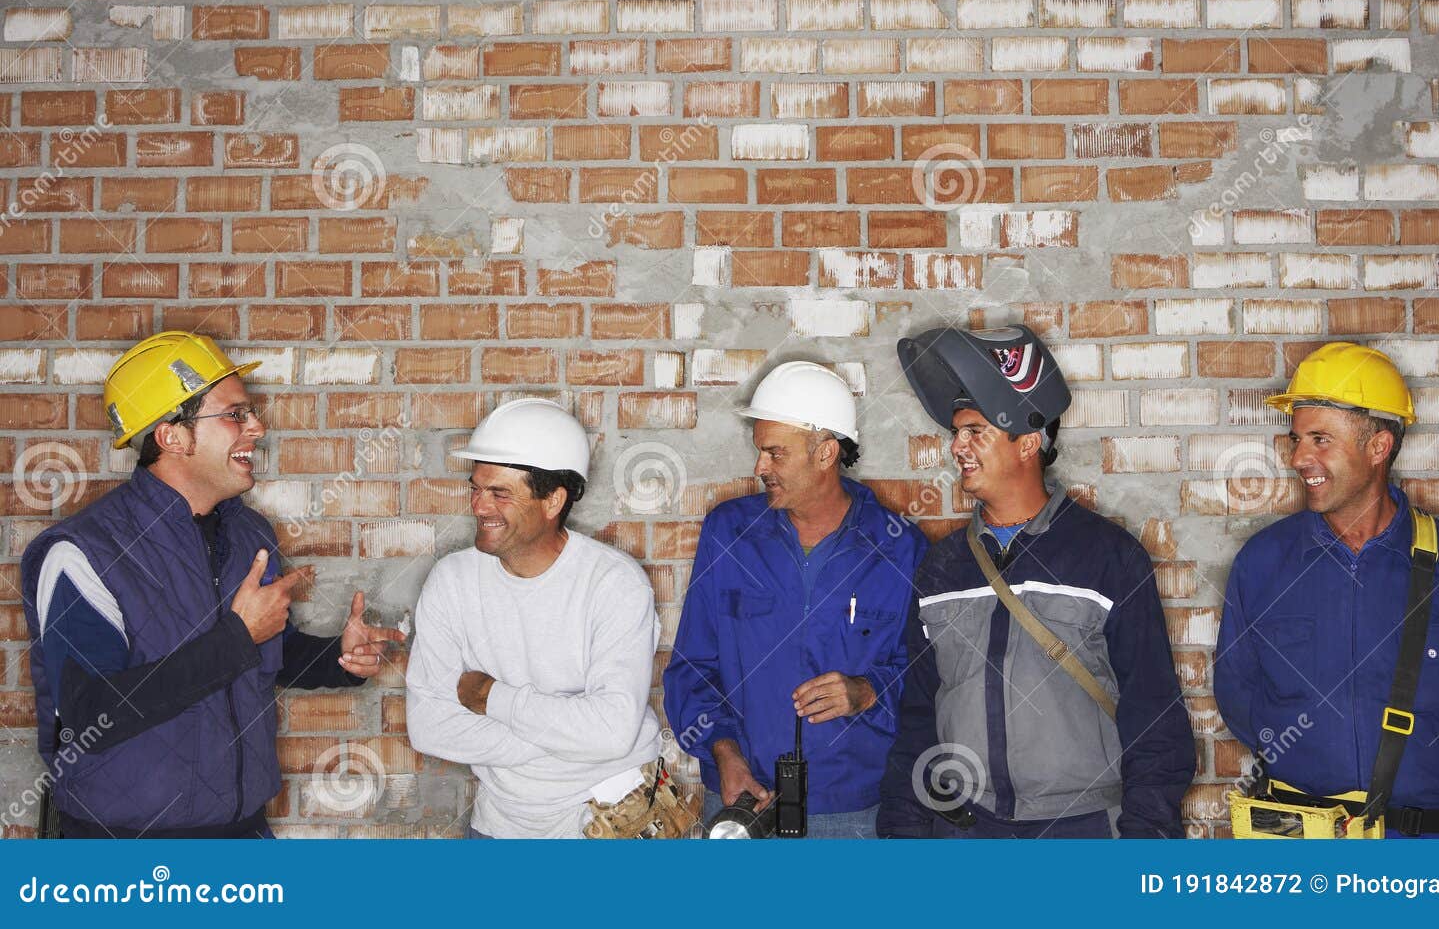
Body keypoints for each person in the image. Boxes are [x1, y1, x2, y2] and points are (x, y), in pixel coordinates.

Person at [19, 331, 401, 839]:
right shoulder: (80, 553)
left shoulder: (248, 533)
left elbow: (267, 649)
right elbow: (88, 716)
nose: (257, 428)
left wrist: (338, 658)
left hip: (243, 833)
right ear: (172, 435)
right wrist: (237, 638)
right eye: (235, 415)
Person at [879, 325, 1195, 838]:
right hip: (964, 833)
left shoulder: (1107, 557)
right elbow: (918, 714)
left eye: (975, 431)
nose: (957, 447)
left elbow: (1154, 715)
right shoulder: (942, 567)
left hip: (1082, 832)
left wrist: (1146, 839)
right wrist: (902, 829)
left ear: (1027, 442)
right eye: (955, 432)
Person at [1215, 342, 1439, 838]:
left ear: (1378, 447)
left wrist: (1425, 789)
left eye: (1321, 440)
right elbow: (1239, 695)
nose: (1299, 458)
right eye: (1296, 439)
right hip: (1300, 854)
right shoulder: (1263, 564)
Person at [664, 361, 926, 837]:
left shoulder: (898, 546)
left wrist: (869, 691)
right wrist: (724, 752)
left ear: (825, 453)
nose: (759, 467)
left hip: (852, 814)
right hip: (743, 803)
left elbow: (928, 674)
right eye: (760, 452)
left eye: (775, 454)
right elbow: (692, 665)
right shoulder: (729, 533)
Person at [406, 398, 663, 838]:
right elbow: (428, 727)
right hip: (501, 827)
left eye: (500, 493)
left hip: (612, 825)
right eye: (476, 488)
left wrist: (493, 700)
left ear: (553, 501)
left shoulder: (614, 583)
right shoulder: (452, 579)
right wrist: (572, 732)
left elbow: (613, 733)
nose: (479, 506)